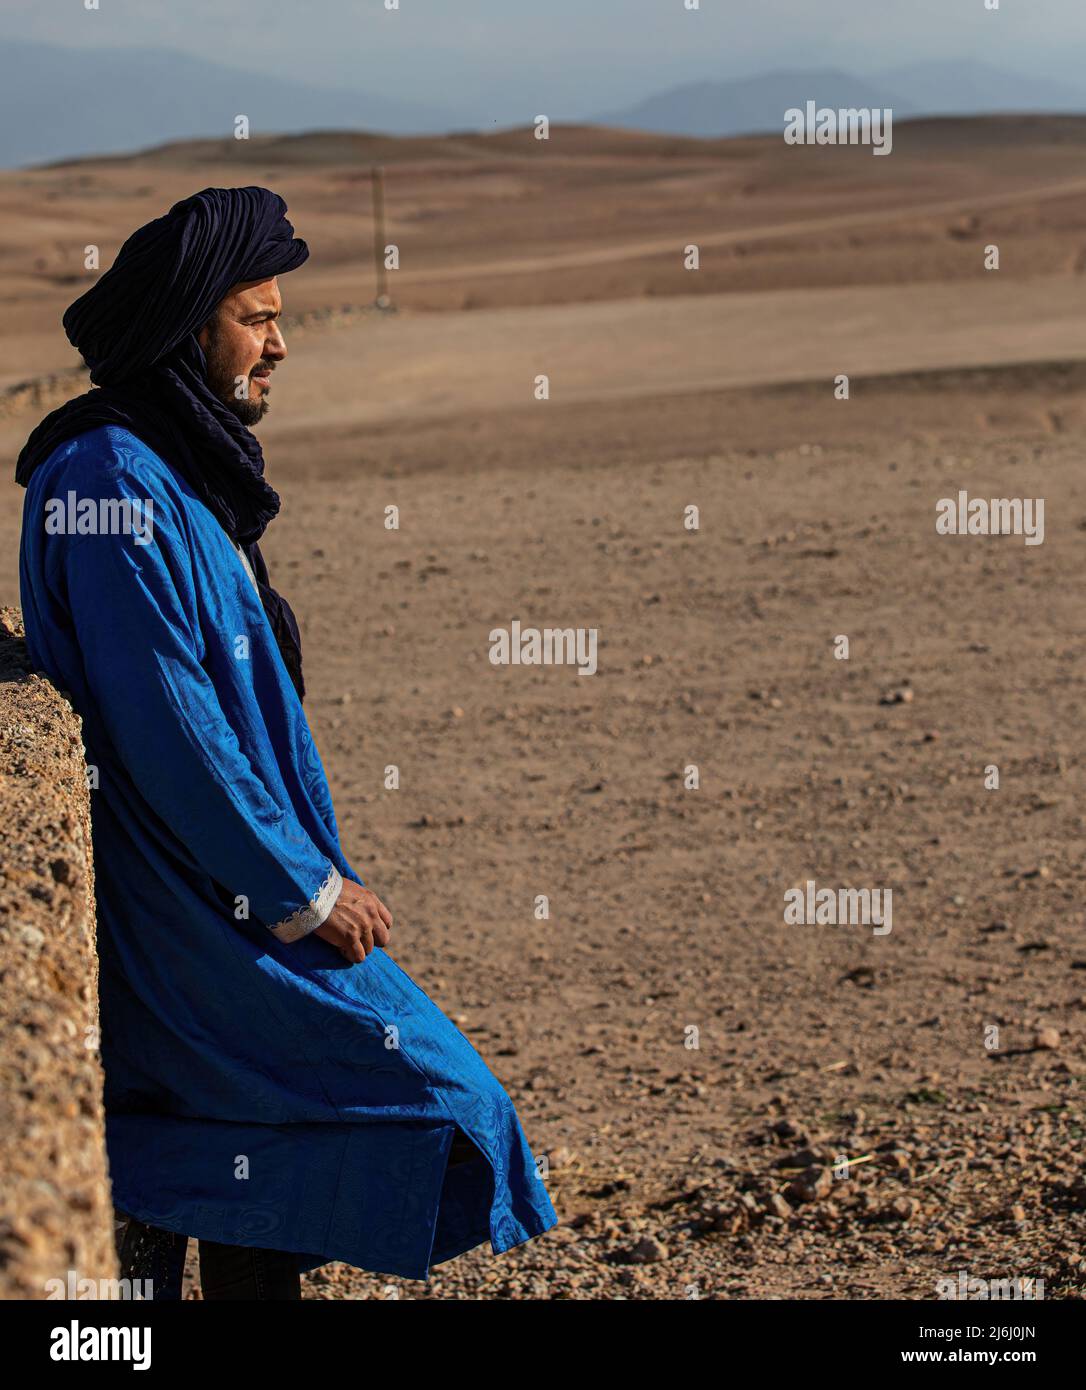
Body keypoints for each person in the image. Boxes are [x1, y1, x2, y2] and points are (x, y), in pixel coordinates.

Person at [15, 186, 556, 1300]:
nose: (280, 343)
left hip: (223, 892)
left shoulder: (169, 468)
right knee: (443, 1094)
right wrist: (303, 888)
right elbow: (167, 720)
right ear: (187, 329)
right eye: (257, 318)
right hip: (198, 905)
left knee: (256, 1126)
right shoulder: (113, 480)